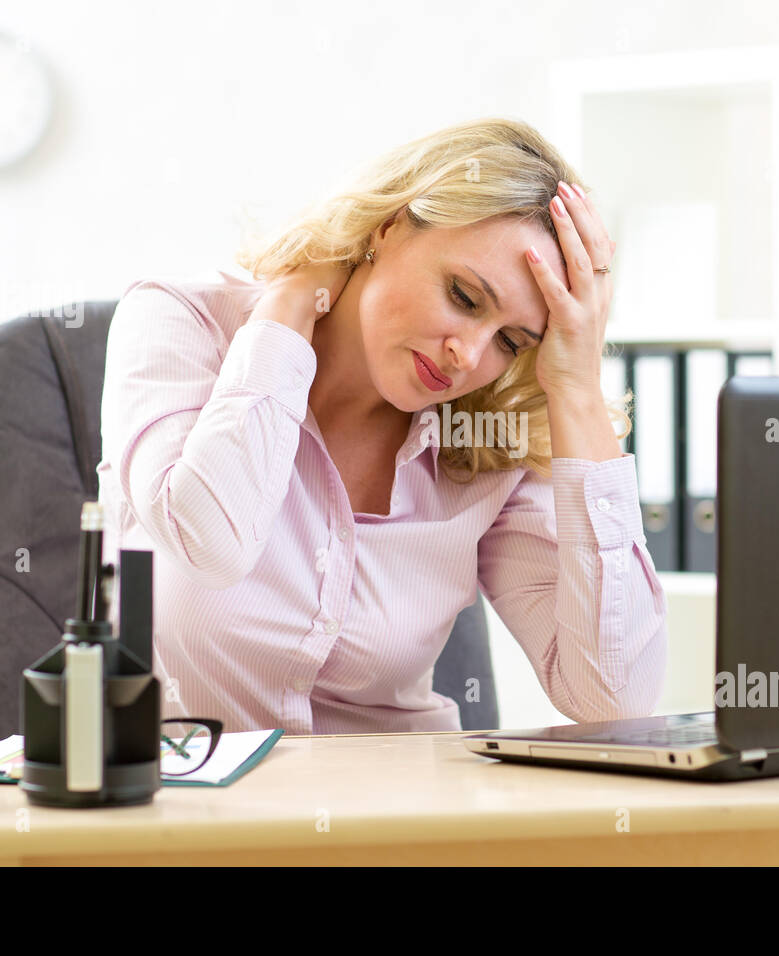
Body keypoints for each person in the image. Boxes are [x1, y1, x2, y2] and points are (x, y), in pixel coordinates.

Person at [95, 116, 668, 734]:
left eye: (511, 340)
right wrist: (291, 301)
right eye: (465, 297)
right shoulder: (181, 323)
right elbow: (208, 543)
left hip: (402, 811)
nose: (469, 355)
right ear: (390, 226)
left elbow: (614, 699)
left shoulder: (486, 432)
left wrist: (577, 386)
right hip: (194, 814)